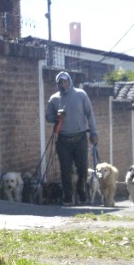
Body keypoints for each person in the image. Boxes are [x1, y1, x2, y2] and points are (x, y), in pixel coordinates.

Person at [44, 71, 97, 205]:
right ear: (58, 84)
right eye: (60, 82)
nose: (63, 84)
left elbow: (90, 114)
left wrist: (93, 132)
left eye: (65, 81)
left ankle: (81, 191)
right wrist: (57, 117)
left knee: (82, 168)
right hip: (63, 140)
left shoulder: (81, 94)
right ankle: (67, 196)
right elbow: (48, 118)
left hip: (80, 138)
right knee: (65, 170)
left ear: (70, 81)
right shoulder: (54, 99)